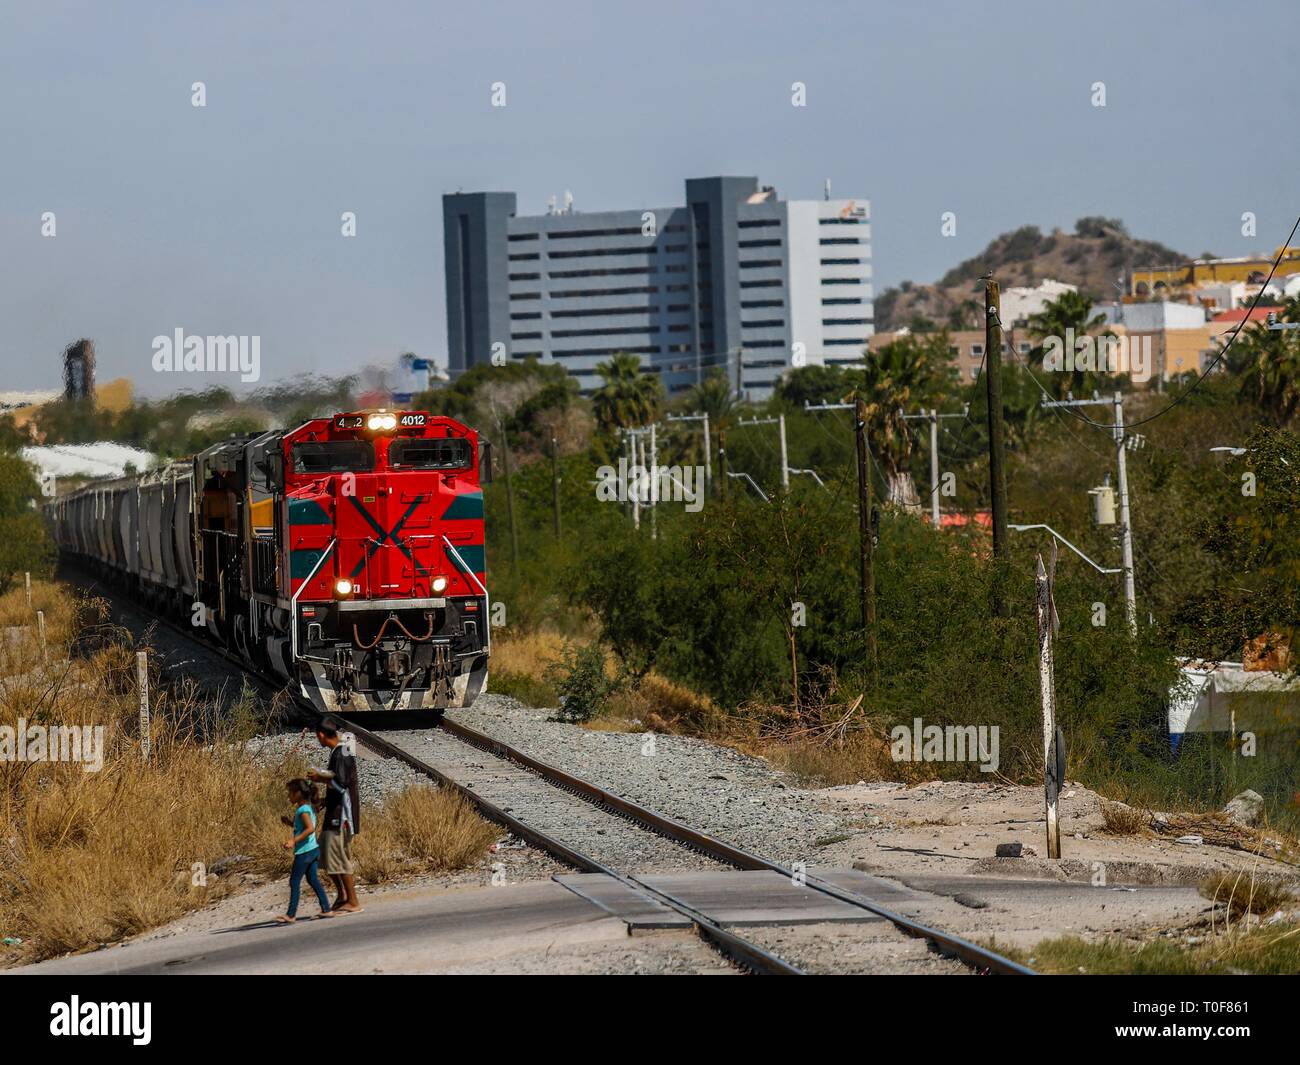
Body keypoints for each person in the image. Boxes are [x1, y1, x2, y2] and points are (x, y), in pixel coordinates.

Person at [308, 719, 363, 914]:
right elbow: (339, 786)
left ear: (322, 735)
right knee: (326, 856)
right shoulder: (340, 751)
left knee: (338, 858)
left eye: (317, 736)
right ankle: (342, 896)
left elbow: (342, 785)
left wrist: (320, 778)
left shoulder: (341, 754)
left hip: (342, 818)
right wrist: (325, 800)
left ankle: (353, 901)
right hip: (335, 813)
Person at [276, 778, 332, 924]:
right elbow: (301, 826)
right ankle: (326, 908)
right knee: (312, 879)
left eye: (290, 793)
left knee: (294, 882)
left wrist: (293, 841)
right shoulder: (308, 808)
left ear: (299, 793)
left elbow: (310, 828)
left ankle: (291, 914)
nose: (289, 796)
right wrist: (289, 822)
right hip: (313, 850)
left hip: (304, 852)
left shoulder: (302, 810)